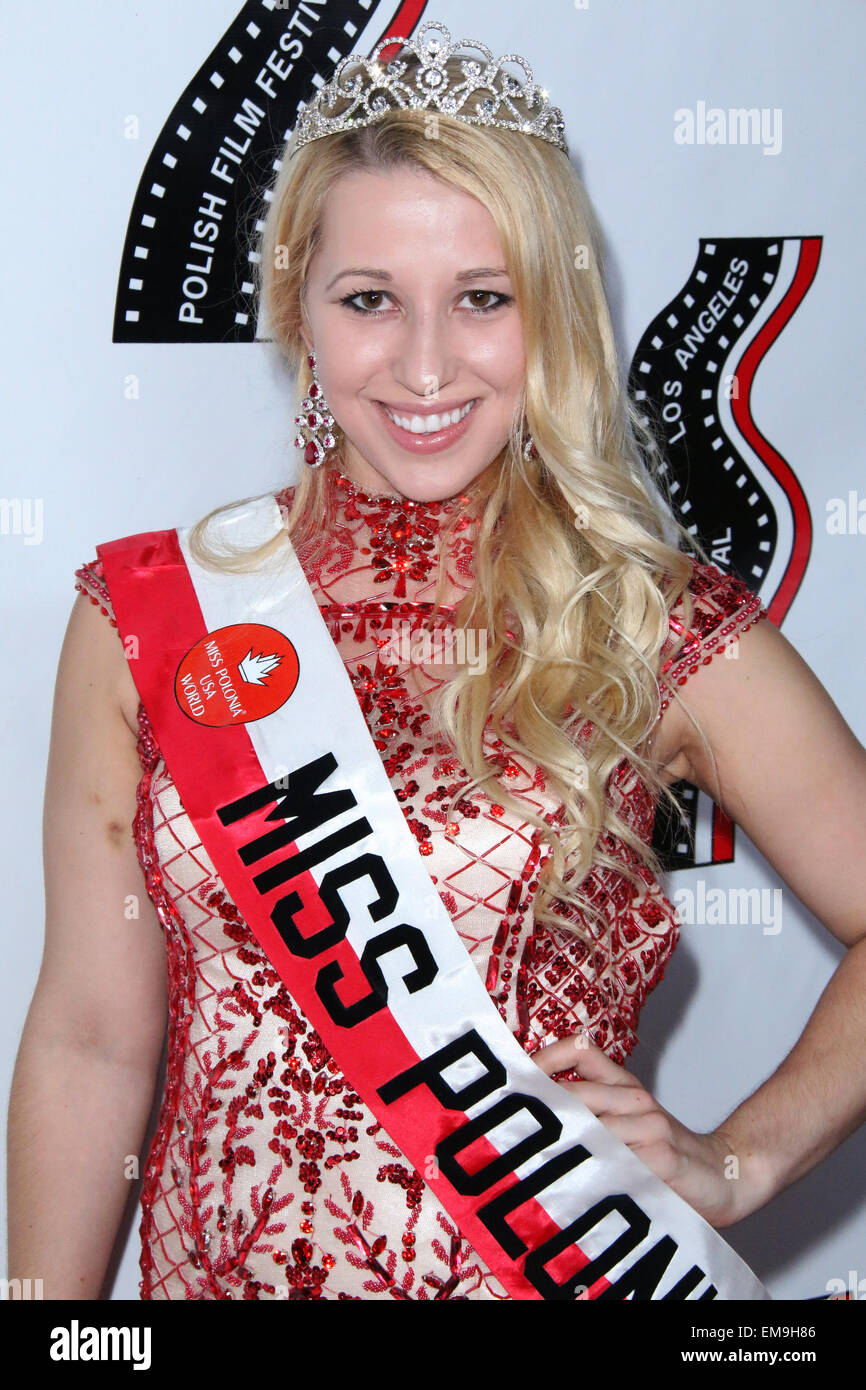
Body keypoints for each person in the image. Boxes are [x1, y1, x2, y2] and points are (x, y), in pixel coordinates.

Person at [8, 24, 865, 1302]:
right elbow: (88, 1039)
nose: (422, 365)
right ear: (299, 306)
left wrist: (739, 1159)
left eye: (482, 297)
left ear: (551, 310)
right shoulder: (150, 614)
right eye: (368, 300)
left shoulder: (651, 622)